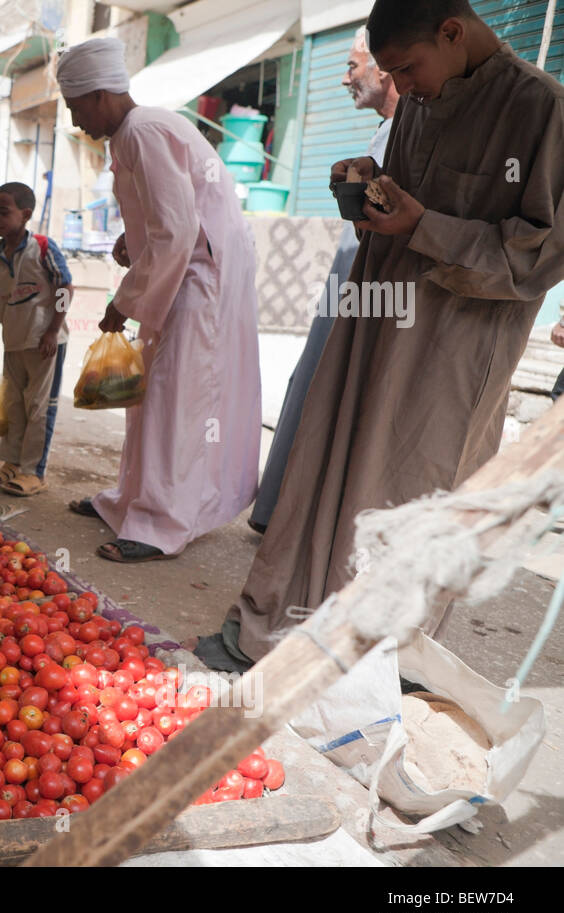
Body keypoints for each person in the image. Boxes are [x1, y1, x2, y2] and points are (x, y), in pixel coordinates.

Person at [197, 0, 564, 671]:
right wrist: (366, 188)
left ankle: (364, 669)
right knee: (328, 468)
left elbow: (537, 258)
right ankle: (280, 631)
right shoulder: (424, 93)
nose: (405, 88)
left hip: (450, 349)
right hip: (375, 315)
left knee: (405, 500)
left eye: (408, 69)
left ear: (451, 32)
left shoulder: (540, 109)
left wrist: (424, 226)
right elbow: (403, 195)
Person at [58, 37, 262, 564]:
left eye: (76, 108)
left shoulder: (144, 130)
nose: (77, 121)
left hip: (200, 277)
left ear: (100, 95)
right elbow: (164, 215)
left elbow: (176, 230)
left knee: (176, 399)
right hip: (183, 269)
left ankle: (159, 526)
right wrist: (133, 242)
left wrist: (123, 303)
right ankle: (130, 501)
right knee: (151, 394)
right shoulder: (132, 132)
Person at [250, 26, 400, 533]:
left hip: (375, 291)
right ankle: (283, 515)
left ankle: (299, 520)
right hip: (353, 284)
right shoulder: (388, 131)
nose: (344, 79)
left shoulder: (408, 132)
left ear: (385, 67)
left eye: (352, 66)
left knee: (338, 390)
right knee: (315, 382)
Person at [0, 184, 73, 496]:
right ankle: (11, 463)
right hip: (13, 344)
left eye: (4, 212)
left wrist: (53, 330)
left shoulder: (41, 247)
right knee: (14, 406)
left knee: (39, 407)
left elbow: (66, 288)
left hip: (44, 344)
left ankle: (34, 472)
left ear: (25, 215)